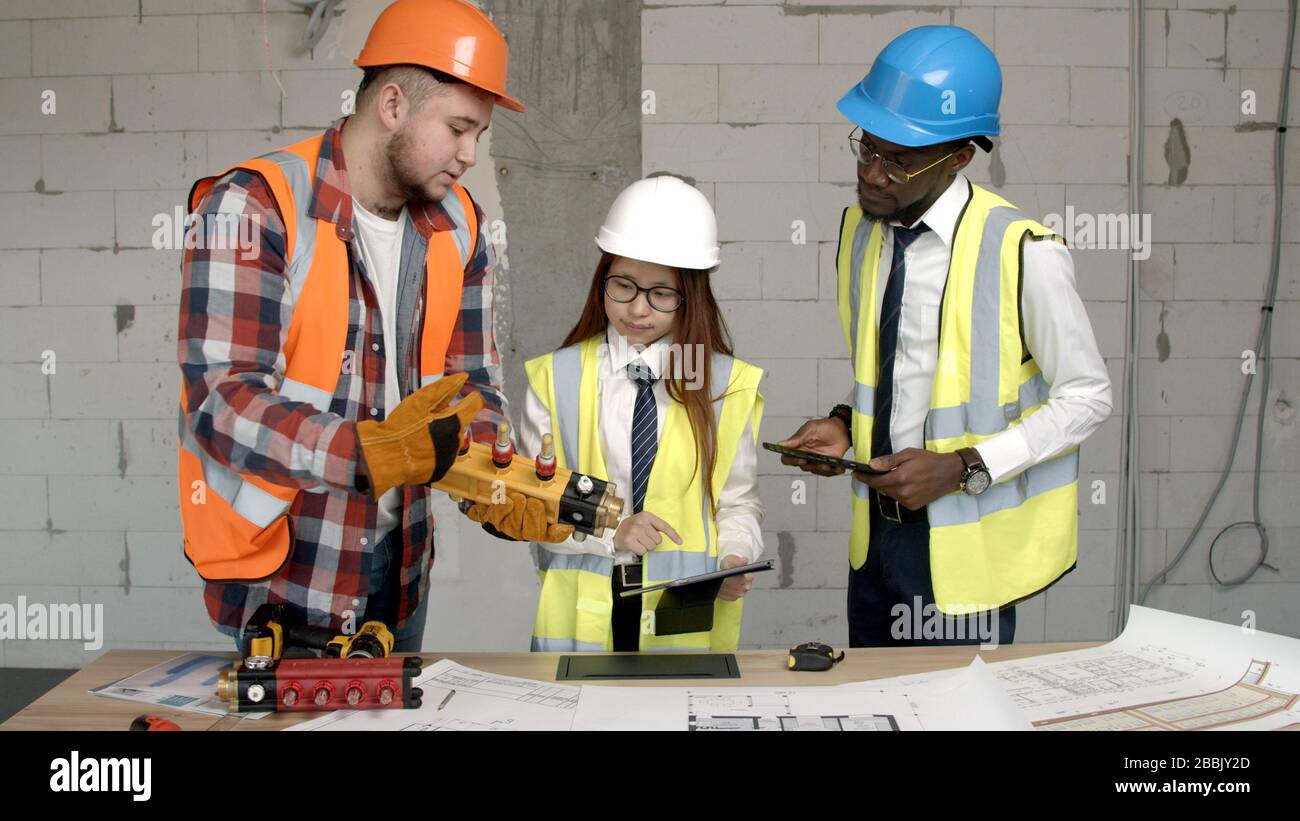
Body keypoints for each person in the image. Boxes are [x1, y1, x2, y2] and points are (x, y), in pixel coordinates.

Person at [177, 0, 566, 655]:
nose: (470, 154)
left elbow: (470, 384)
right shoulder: (254, 206)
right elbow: (221, 400)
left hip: (401, 569)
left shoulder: (460, 224)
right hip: (289, 577)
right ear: (392, 105)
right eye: (458, 128)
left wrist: (494, 483)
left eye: (479, 134)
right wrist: (367, 453)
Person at [778, 26, 1112, 648]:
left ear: (960, 156)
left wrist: (963, 468)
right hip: (875, 542)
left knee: (958, 700)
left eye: (899, 159)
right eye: (866, 147)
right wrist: (847, 425)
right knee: (874, 697)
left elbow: (1088, 396)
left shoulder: (1023, 251)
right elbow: (898, 371)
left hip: (967, 548)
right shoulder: (861, 233)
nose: (873, 174)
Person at [507, 176, 766, 652]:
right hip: (583, 619)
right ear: (602, 280)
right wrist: (612, 530)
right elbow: (532, 504)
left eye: (661, 294)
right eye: (623, 286)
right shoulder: (556, 377)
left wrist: (736, 556)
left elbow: (736, 502)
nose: (638, 310)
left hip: (683, 618)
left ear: (691, 294)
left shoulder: (725, 385)